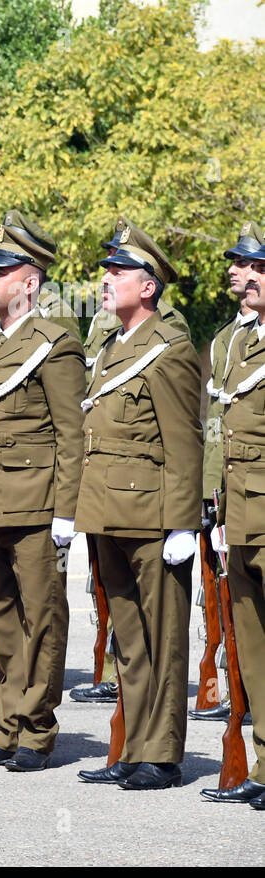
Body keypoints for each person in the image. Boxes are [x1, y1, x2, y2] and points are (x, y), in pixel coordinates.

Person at [0, 211, 85, 772]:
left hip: (36, 505)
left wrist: (66, 513)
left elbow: (72, 433)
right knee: (1, 616)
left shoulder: (55, 343)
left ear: (29, 282)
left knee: (42, 617)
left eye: (1, 271)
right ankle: (7, 727)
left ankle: (36, 729)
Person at [74, 221, 201, 790]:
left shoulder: (170, 350)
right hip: (107, 512)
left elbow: (184, 441)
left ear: (148, 287)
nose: (106, 279)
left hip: (152, 516)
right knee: (128, 640)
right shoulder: (111, 349)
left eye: (119, 271)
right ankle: (135, 746)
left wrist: (183, 524)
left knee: (163, 637)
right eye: (106, 270)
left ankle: (163, 754)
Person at [190, 222, 262, 720]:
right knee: (228, 607)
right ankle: (236, 695)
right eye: (237, 263)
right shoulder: (223, 341)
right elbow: (215, 421)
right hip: (227, 492)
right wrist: (208, 488)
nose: (239, 272)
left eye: (250, 264)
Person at [203, 244, 265, 806]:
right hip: (241, 510)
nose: (249, 277)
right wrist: (210, 497)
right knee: (253, 642)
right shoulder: (240, 343)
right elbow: (221, 428)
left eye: (261, 269)